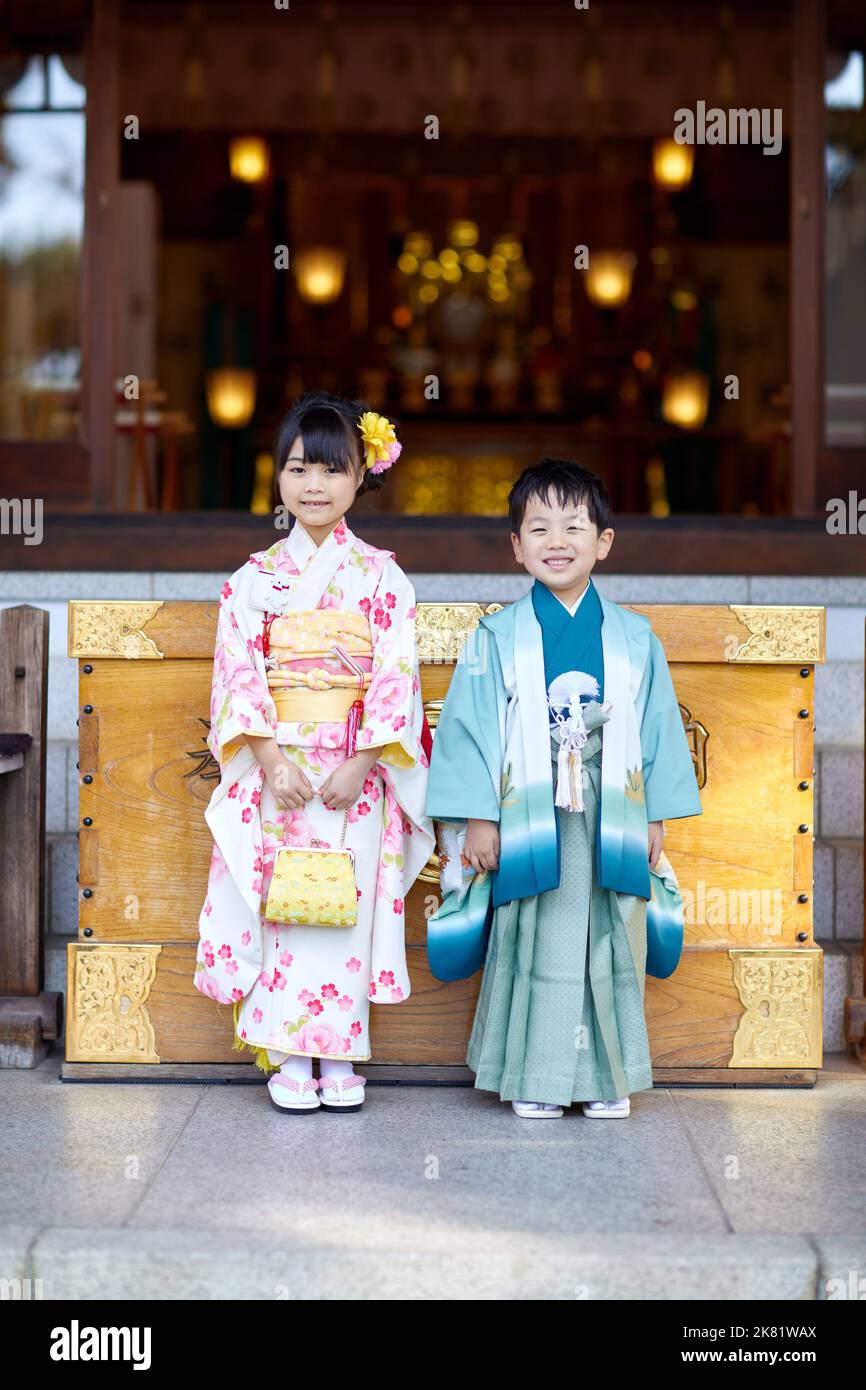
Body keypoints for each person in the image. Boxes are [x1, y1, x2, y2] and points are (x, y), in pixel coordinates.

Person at [425, 459, 702, 1120]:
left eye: (574, 526)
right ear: (516, 547)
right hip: (528, 801)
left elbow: (658, 724)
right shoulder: (494, 637)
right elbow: (468, 729)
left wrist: (657, 812)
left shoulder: (636, 637)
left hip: (613, 799)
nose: (557, 540)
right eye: (539, 527)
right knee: (539, 932)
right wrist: (477, 818)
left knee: (611, 929)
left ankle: (607, 1075)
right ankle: (537, 1075)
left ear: (603, 542)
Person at [194, 391, 434, 1114]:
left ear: (361, 476)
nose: (315, 486)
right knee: (284, 906)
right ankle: (290, 1053)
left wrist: (364, 760)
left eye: (332, 471)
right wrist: (268, 757)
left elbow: (396, 674)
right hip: (282, 774)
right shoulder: (252, 582)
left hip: (354, 774)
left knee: (346, 909)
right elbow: (237, 671)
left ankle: (337, 1055)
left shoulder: (384, 579)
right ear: (279, 478)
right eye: (299, 469)